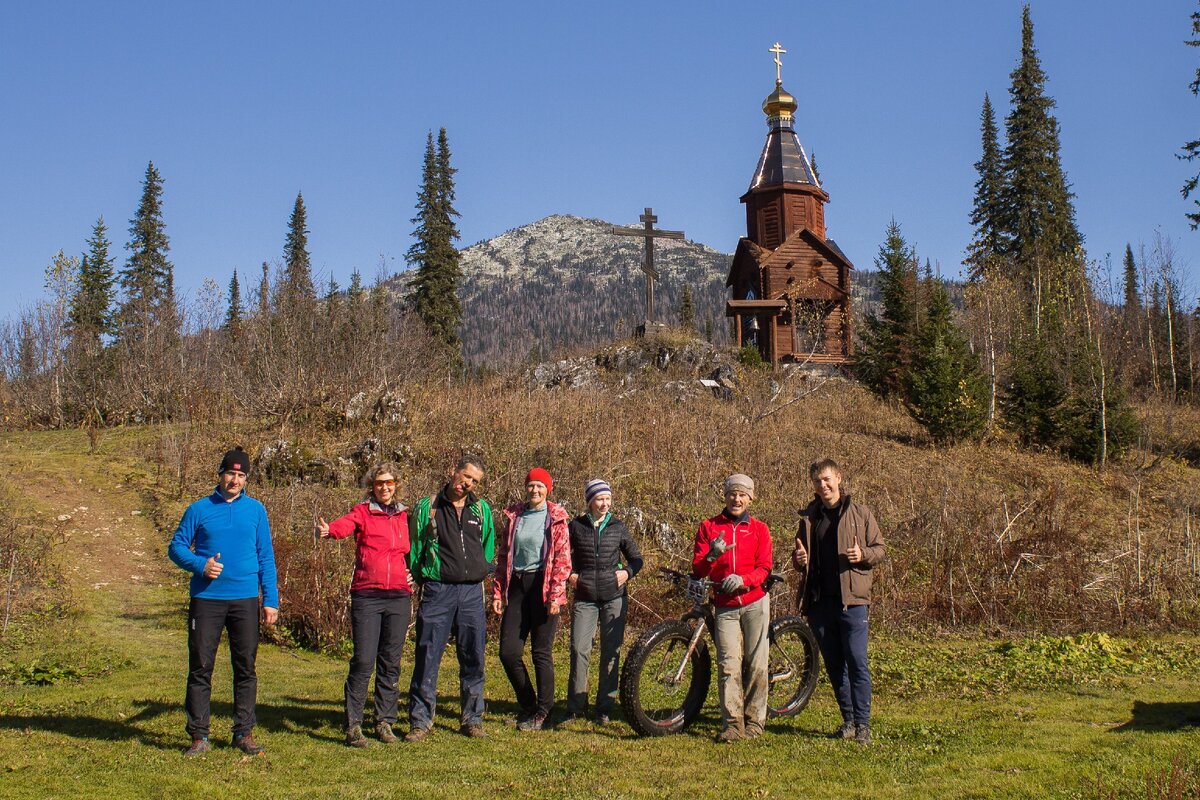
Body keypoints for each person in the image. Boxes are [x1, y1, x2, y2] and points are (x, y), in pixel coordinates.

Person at [168, 447, 278, 757]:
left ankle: (243, 732)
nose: (235, 480)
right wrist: (200, 564)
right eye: (231, 473)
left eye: (241, 475)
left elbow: (266, 557)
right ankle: (199, 735)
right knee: (201, 666)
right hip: (207, 599)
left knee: (246, 667)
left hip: (244, 599)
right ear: (220, 474)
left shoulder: (256, 510)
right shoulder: (199, 509)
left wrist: (270, 599)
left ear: (247, 479)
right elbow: (176, 548)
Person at [316, 462, 412, 747]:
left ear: (396, 485)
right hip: (367, 596)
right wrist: (329, 530)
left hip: (399, 596)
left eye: (389, 482)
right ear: (372, 486)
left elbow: (419, 547)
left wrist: (414, 572)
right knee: (363, 661)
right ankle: (353, 724)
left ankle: (384, 721)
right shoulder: (363, 512)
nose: (384, 487)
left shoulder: (406, 515)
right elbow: (344, 526)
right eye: (379, 483)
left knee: (391, 662)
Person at [792, 458, 885, 745]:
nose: (823, 485)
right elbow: (800, 558)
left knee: (857, 662)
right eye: (818, 481)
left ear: (839, 479)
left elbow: (879, 549)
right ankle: (848, 721)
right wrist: (799, 560)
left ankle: (864, 725)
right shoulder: (809, 517)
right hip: (820, 604)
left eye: (828, 479)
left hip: (853, 602)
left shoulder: (860, 513)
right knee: (834, 665)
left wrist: (863, 556)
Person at [405, 455, 495, 741]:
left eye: (474, 481)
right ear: (452, 470)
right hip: (437, 590)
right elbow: (415, 547)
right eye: (466, 476)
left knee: (473, 656)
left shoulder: (481, 510)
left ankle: (472, 718)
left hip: (471, 592)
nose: (468, 484)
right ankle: (420, 721)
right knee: (427, 654)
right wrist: (421, 575)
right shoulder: (427, 507)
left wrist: (481, 569)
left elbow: (487, 546)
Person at [692, 473, 773, 743]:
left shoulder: (760, 529)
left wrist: (744, 580)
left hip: (755, 603)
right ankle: (732, 725)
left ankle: (755, 722)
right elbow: (698, 569)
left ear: (751, 498)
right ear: (724, 495)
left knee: (757, 664)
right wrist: (712, 555)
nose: (736, 499)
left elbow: (764, 568)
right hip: (724, 605)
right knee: (728, 665)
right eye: (732, 493)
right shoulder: (709, 527)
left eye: (742, 494)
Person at [493, 468, 572, 732]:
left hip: (544, 585)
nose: (535, 490)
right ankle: (528, 705)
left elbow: (563, 559)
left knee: (541, 652)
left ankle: (544, 710)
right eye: (531, 486)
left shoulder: (557, 518)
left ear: (548, 489)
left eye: (540, 486)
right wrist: (498, 591)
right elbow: (504, 554)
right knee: (508, 652)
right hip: (517, 585)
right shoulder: (515, 515)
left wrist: (555, 596)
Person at [562, 479, 643, 726]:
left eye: (608, 499)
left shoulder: (618, 527)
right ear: (589, 501)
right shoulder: (575, 526)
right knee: (579, 649)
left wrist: (627, 572)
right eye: (599, 499)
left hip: (614, 597)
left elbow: (637, 558)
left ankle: (605, 708)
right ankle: (576, 706)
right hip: (585, 598)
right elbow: (562, 555)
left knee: (611, 653)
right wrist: (570, 574)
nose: (605, 504)